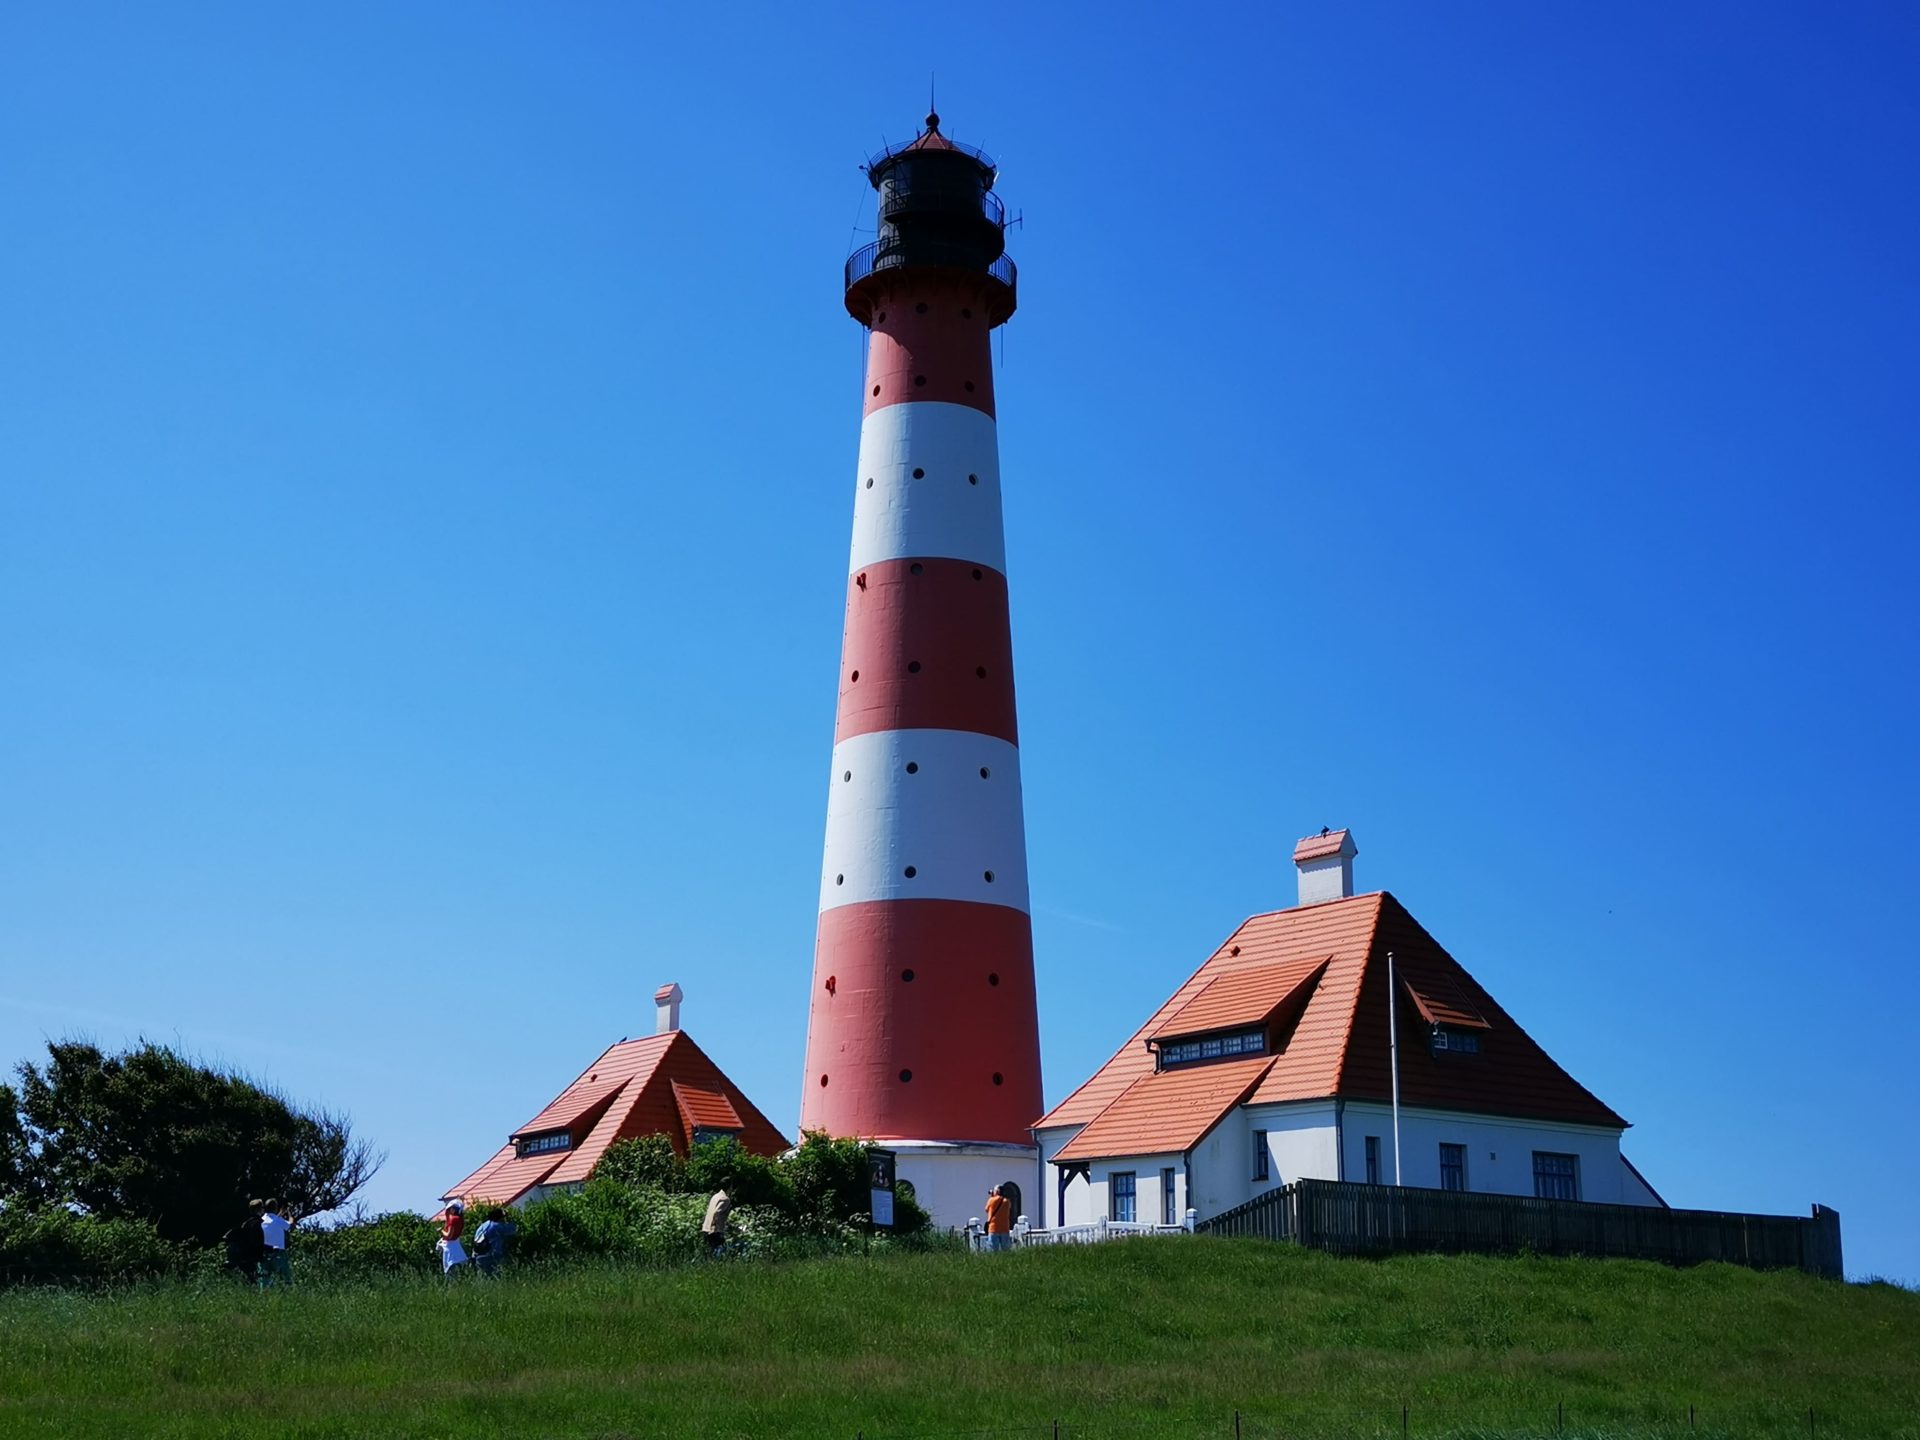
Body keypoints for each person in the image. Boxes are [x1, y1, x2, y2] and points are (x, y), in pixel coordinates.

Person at [223, 1200, 266, 1283]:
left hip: (244, 1256)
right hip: (255, 1256)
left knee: (249, 1281)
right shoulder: (258, 1223)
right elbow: (258, 1240)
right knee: (260, 1280)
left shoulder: (246, 1222)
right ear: (259, 1209)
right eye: (262, 1208)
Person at [258, 1197, 293, 1287]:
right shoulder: (278, 1221)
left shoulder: (261, 1220)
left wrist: (280, 1213)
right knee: (285, 1278)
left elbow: (273, 1221)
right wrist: (289, 1214)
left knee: (265, 1278)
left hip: (264, 1252)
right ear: (275, 1208)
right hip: (278, 1253)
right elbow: (290, 1225)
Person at [473, 1206, 516, 1278]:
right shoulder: (496, 1226)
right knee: (496, 1277)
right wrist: (509, 1218)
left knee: (483, 1279)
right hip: (491, 1256)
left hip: (478, 1255)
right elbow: (513, 1229)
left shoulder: (483, 1226)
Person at [438, 1200, 471, 1276]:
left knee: (450, 1270)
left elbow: (449, 1235)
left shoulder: (453, 1219)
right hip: (456, 1245)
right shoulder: (460, 1219)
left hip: (450, 1248)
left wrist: (441, 1231)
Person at [700, 1186, 733, 1257]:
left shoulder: (715, 1196)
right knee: (718, 1251)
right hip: (715, 1230)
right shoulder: (725, 1199)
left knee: (709, 1253)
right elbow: (717, 1213)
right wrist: (715, 1225)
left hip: (706, 1228)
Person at [983, 1185, 1013, 1252]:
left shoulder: (991, 1200)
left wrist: (992, 1197)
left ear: (997, 1191)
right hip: (1005, 1229)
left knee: (993, 1251)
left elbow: (986, 1209)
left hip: (993, 1228)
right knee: (1006, 1250)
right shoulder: (1007, 1201)